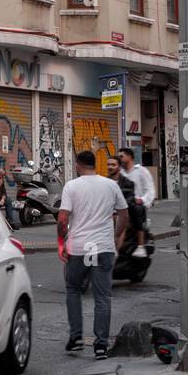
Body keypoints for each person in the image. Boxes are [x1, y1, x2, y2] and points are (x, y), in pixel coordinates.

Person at [57, 150, 129, 359]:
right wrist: (115, 236)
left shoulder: (72, 186)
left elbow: (63, 218)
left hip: (79, 248)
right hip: (102, 247)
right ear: (94, 164)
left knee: (73, 289)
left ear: (78, 165)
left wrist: (61, 244)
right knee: (102, 297)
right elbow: (124, 214)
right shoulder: (111, 185)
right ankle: (100, 346)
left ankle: (76, 337)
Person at [118, 147, 154, 258]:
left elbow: (150, 190)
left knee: (135, 209)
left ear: (130, 157)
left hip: (136, 207)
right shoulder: (120, 173)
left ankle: (141, 246)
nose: (119, 159)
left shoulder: (141, 171)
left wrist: (142, 200)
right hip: (122, 207)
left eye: (121, 156)